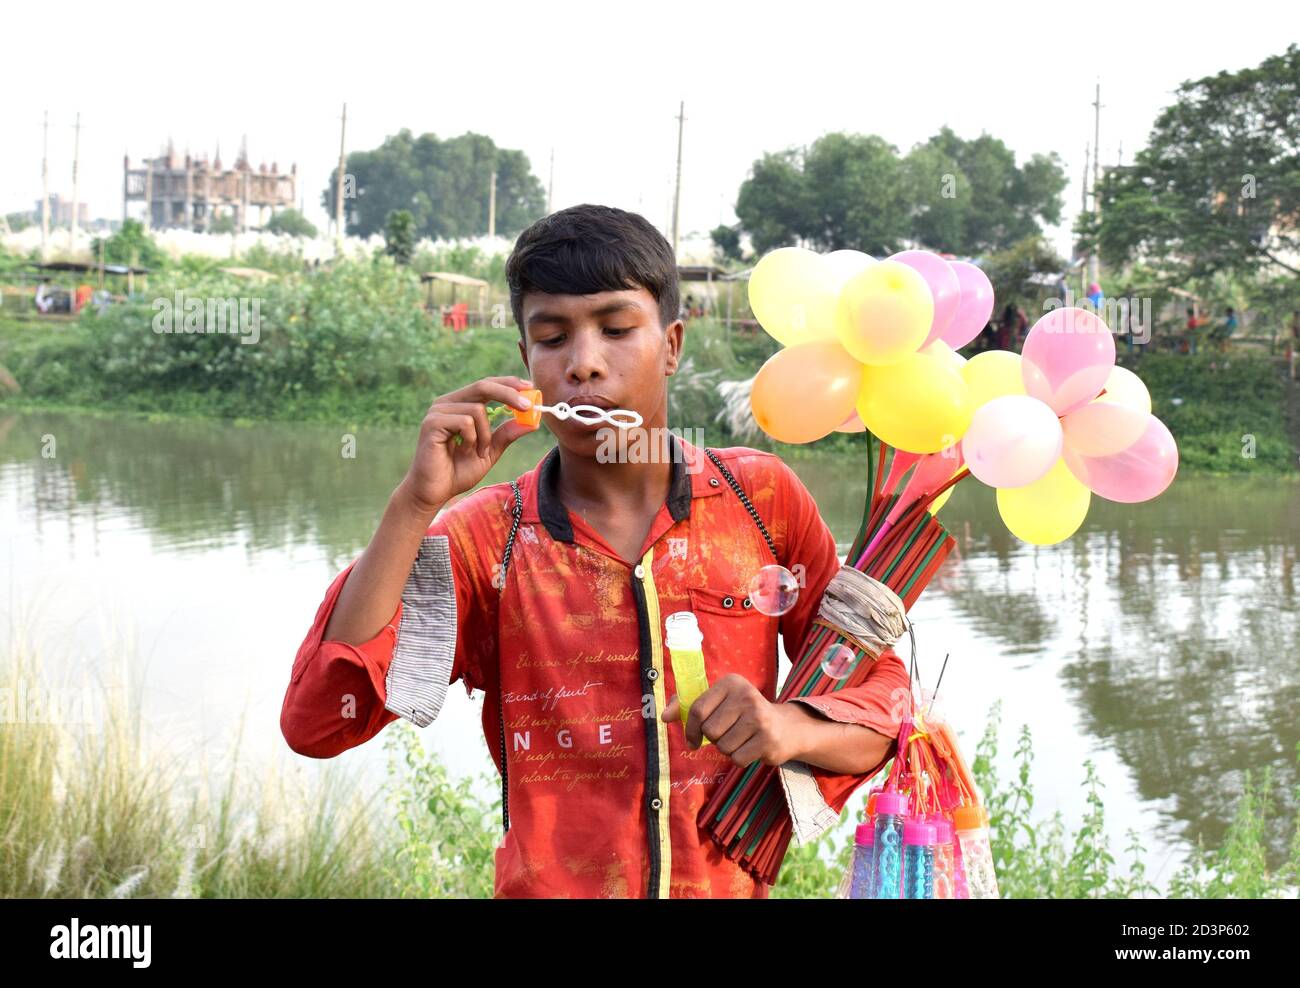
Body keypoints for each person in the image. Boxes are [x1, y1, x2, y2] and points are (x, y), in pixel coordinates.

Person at [279, 205, 909, 899]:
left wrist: (787, 726)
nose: (583, 364)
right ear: (526, 364)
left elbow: (885, 713)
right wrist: (413, 507)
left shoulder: (761, 501)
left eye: (616, 330)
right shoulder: (482, 538)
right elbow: (318, 721)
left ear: (670, 344)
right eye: (552, 338)